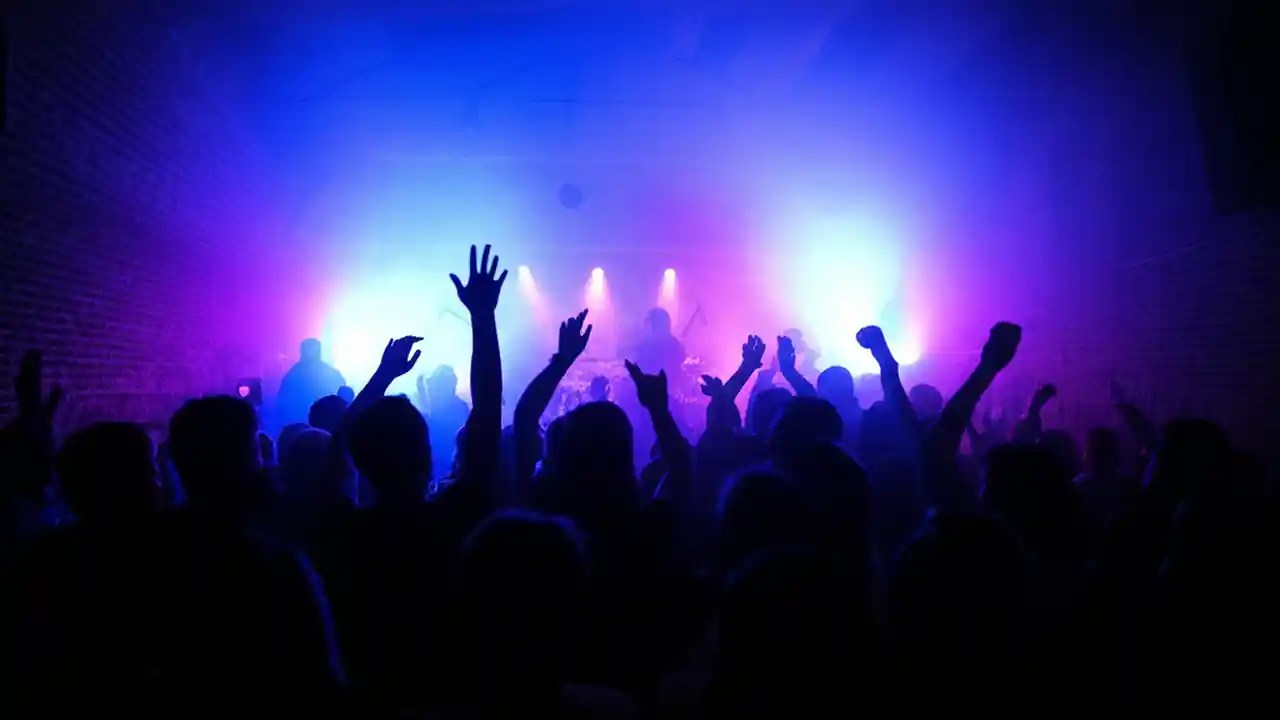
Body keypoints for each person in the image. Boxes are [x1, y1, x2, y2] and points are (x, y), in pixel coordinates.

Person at [276, 339, 345, 427]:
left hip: (321, 415)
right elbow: (283, 395)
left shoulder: (328, 371)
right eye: (304, 350)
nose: (303, 353)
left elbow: (340, 386)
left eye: (307, 350)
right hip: (299, 416)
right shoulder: (295, 371)